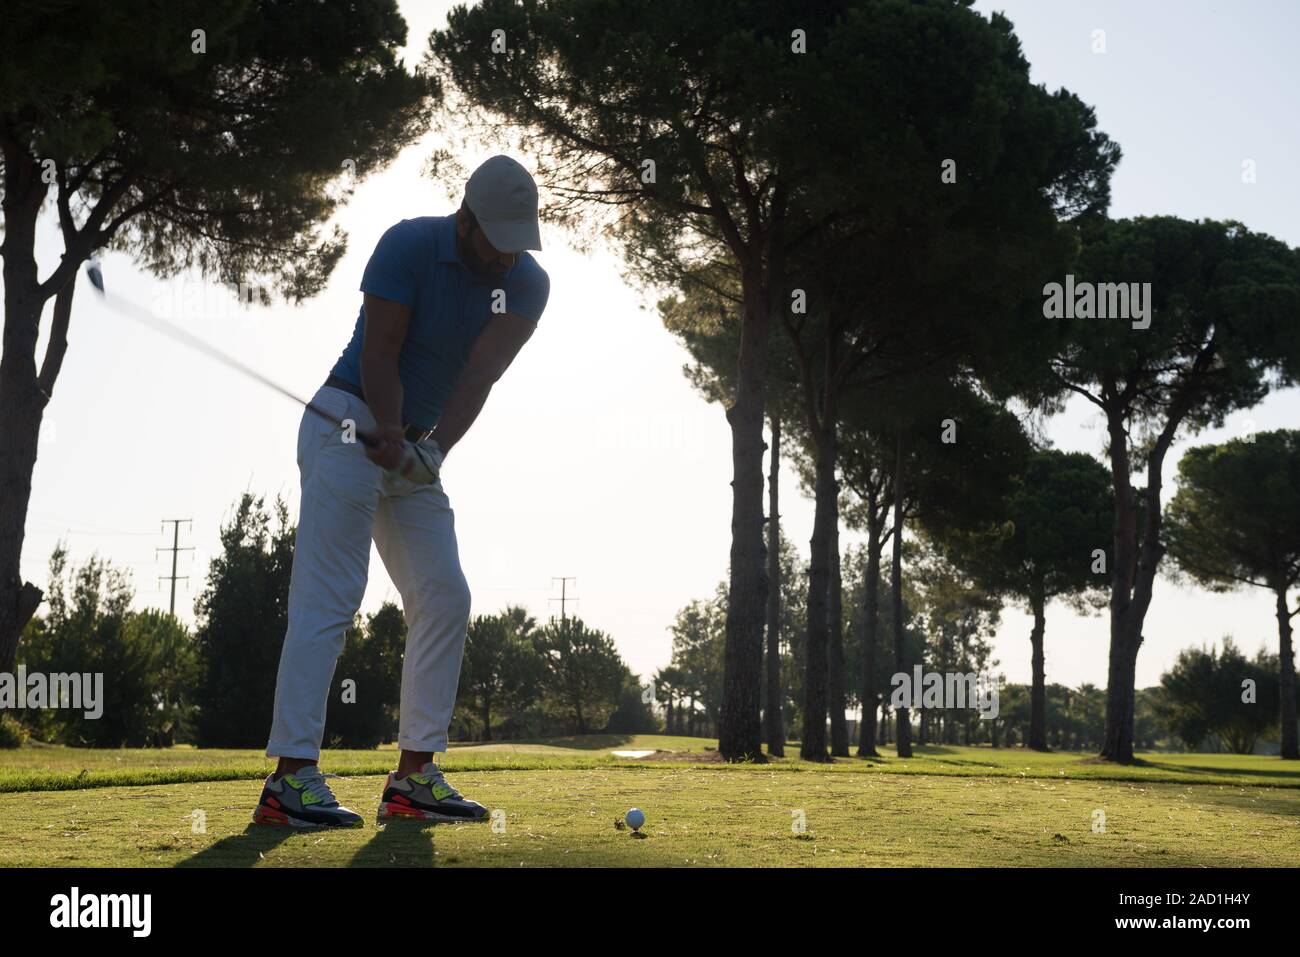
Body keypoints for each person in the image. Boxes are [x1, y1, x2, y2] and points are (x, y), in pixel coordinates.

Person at [253, 155, 550, 827]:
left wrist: (431, 448)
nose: (507, 258)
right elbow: (380, 352)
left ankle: (413, 778)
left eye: (518, 243)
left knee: (445, 592)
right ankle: (290, 779)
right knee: (332, 594)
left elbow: (480, 375)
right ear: (466, 217)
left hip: (415, 444)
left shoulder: (528, 283)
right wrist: (387, 428)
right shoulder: (409, 244)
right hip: (348, 419)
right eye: (496, 240)